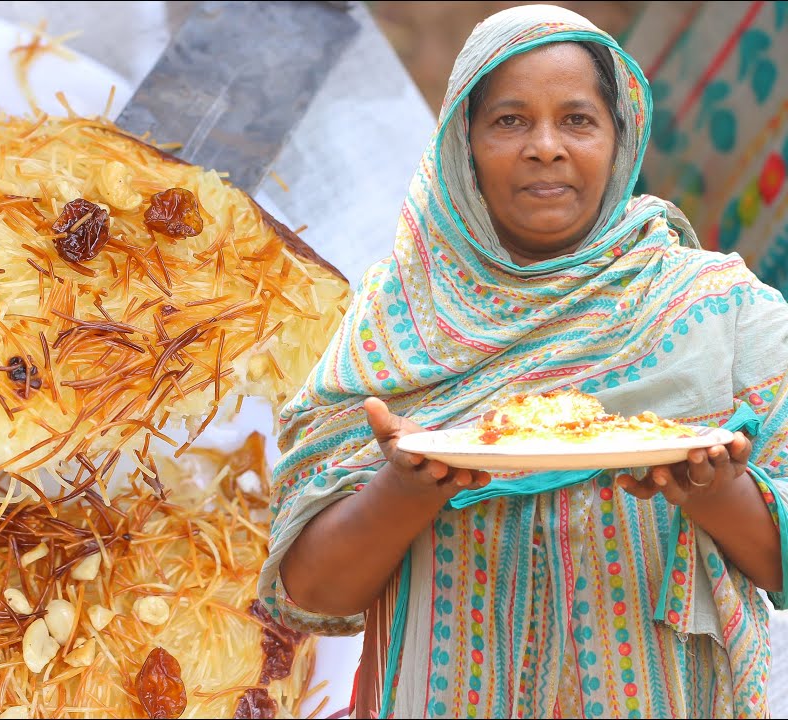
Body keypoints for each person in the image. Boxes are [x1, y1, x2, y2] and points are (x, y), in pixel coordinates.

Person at [260, 5, 788, 718]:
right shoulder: (395, 322)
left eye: (577, 119)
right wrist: (406, 491)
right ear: (462, 143)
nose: (546, 146)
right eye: (510, 120)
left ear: (619, 136)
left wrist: (709, 491)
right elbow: (310, 594)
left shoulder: (721, 310)